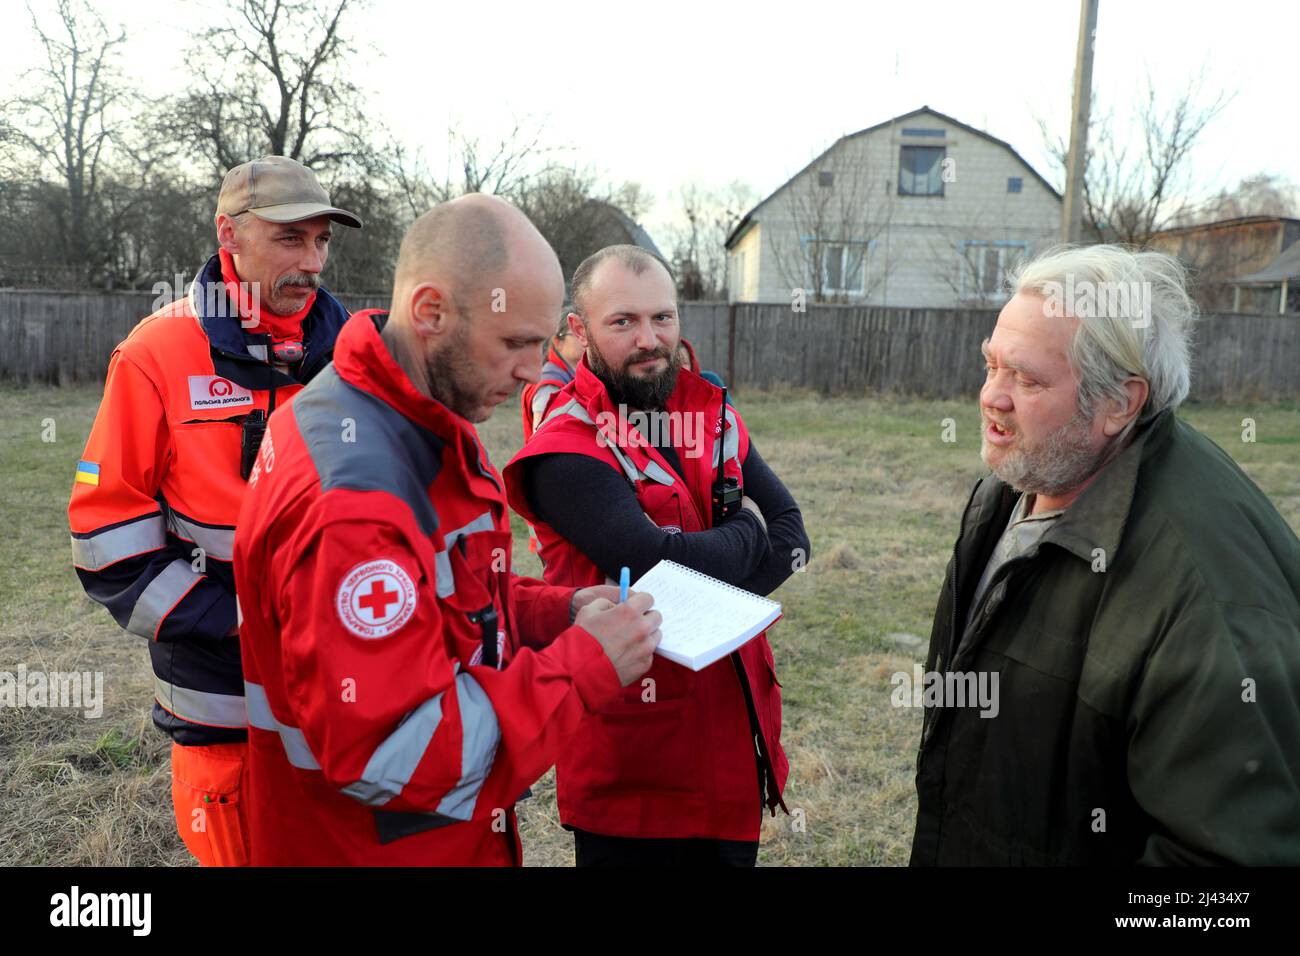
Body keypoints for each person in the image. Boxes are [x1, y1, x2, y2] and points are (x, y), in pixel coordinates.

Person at [233, 196, 663, 865]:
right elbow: (396, 754)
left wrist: (560, 611)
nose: (534, 370)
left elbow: (442, 604)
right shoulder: (356, 501)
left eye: (544, 344)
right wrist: (584, 667)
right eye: (515, 343)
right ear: (431, 312)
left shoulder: (411, 416)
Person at [910, 244, 1300, 865]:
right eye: (991, 365)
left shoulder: (1205, 598)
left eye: (1028, 378)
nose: (992, 397)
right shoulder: (1015, 488)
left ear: (1119, 403)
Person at [68, 155, 361, 867]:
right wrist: (236, 625)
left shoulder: (357, 355)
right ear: (228, 233)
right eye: (290, 239)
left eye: (321, 241)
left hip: (345, 695)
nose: (313, 261)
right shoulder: (156, 352)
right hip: (220, 703)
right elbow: (105, 536)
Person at [503, 244, 810, 866]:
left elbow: (795, 536)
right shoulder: (566, 443)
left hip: (732, 740)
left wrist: (703, 559)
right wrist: (747, 537)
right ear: (578, 331)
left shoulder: (710, 412)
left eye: (662, 318)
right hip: (636, 766)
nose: (650, 340)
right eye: (623, 322)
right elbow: (653, 562)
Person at [520, 314, 584, 441]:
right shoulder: (550, 384)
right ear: (557, 342)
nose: (585, 339)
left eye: (587, 333)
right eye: (577, 334)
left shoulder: (572, 376)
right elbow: (542, 438)